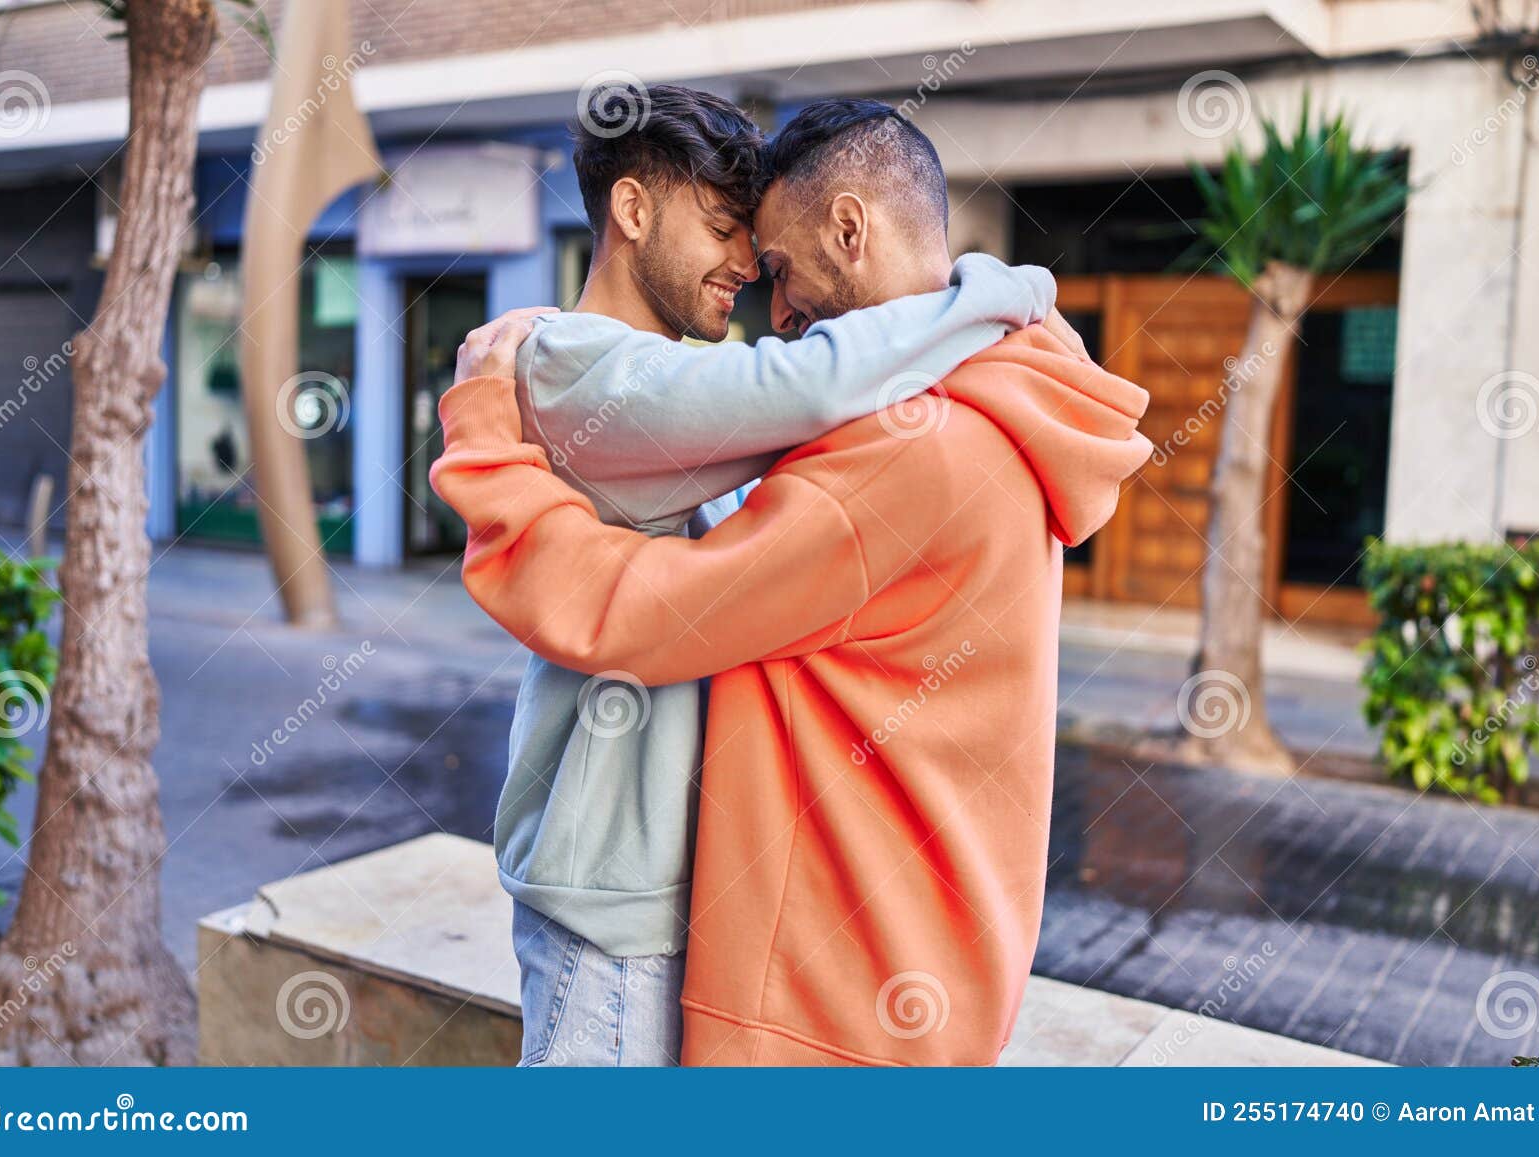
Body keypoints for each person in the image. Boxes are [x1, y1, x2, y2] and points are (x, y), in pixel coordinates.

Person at [435, 97, 1152, 1067]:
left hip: (834, 976)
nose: (773, 309)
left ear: (849, 228)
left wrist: (486, 448)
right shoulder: (992, 404)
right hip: (904, 948)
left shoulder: (915, 450)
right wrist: (991, 294)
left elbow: (640, 612)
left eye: (772, 261)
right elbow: (783, 393)